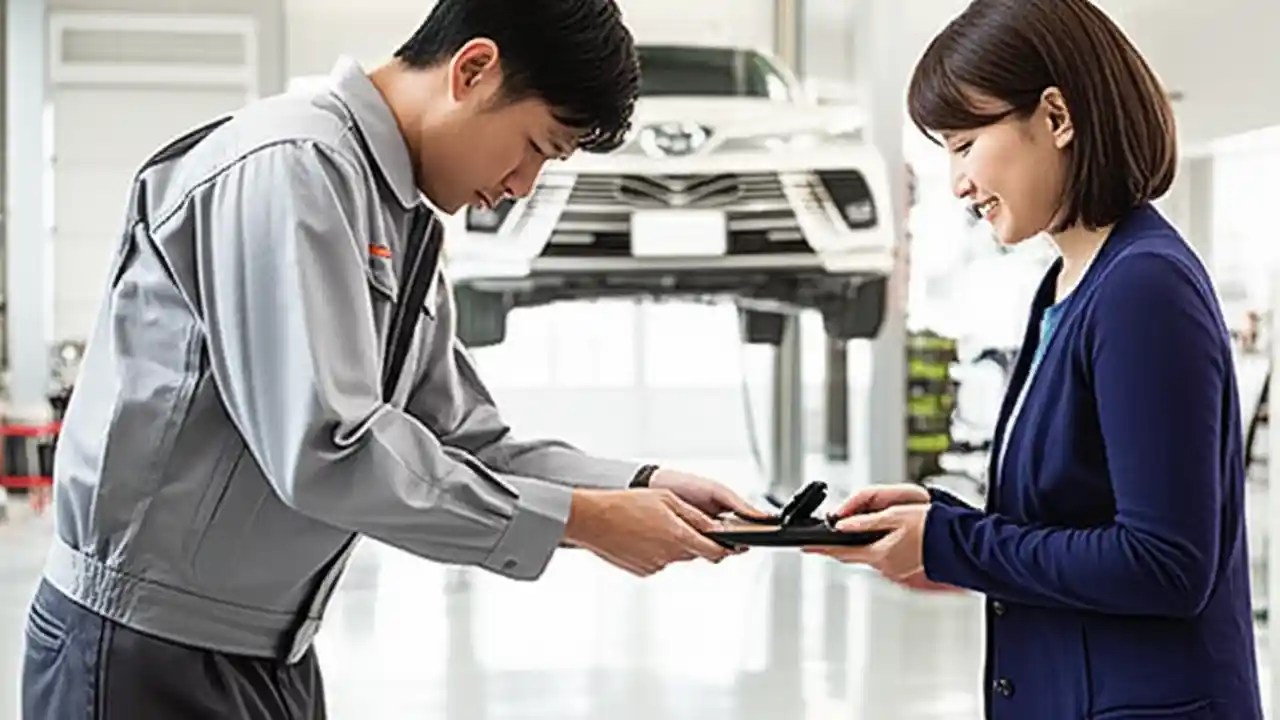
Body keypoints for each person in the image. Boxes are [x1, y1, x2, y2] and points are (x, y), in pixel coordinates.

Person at [21, 1, 764, 717]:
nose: (518, 188)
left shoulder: (401, 218)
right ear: (473, 69)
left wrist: (641, 485)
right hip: (144, 651)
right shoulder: (291, 167)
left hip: (267, 654)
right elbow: (326, 451)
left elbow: (465, 441)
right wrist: (584, 520)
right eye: (536, 147)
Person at [808, 0, 1264, 718]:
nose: (956, 182)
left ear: (1055, 117)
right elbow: (1075, 512)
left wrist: (952, 543)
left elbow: (1165, 564)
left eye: (963, 144)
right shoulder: (1068, 283)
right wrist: (938, 520)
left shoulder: (1143, 286)